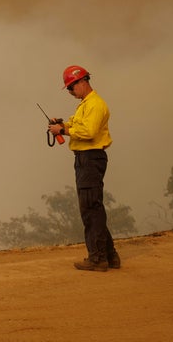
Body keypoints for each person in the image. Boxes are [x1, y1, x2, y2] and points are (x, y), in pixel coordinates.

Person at [47, 64, 120, 272]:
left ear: (82, 81)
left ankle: (97, 259)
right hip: (85, 158)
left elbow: (88, 131)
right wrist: (62, 124)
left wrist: (62, 130)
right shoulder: (86, 104)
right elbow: (76, 124)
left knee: (90, 210)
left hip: (90, 158)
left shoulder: (96, 104)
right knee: (94, 208)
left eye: (71, 87)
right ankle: (110, 256)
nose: (70, 92)